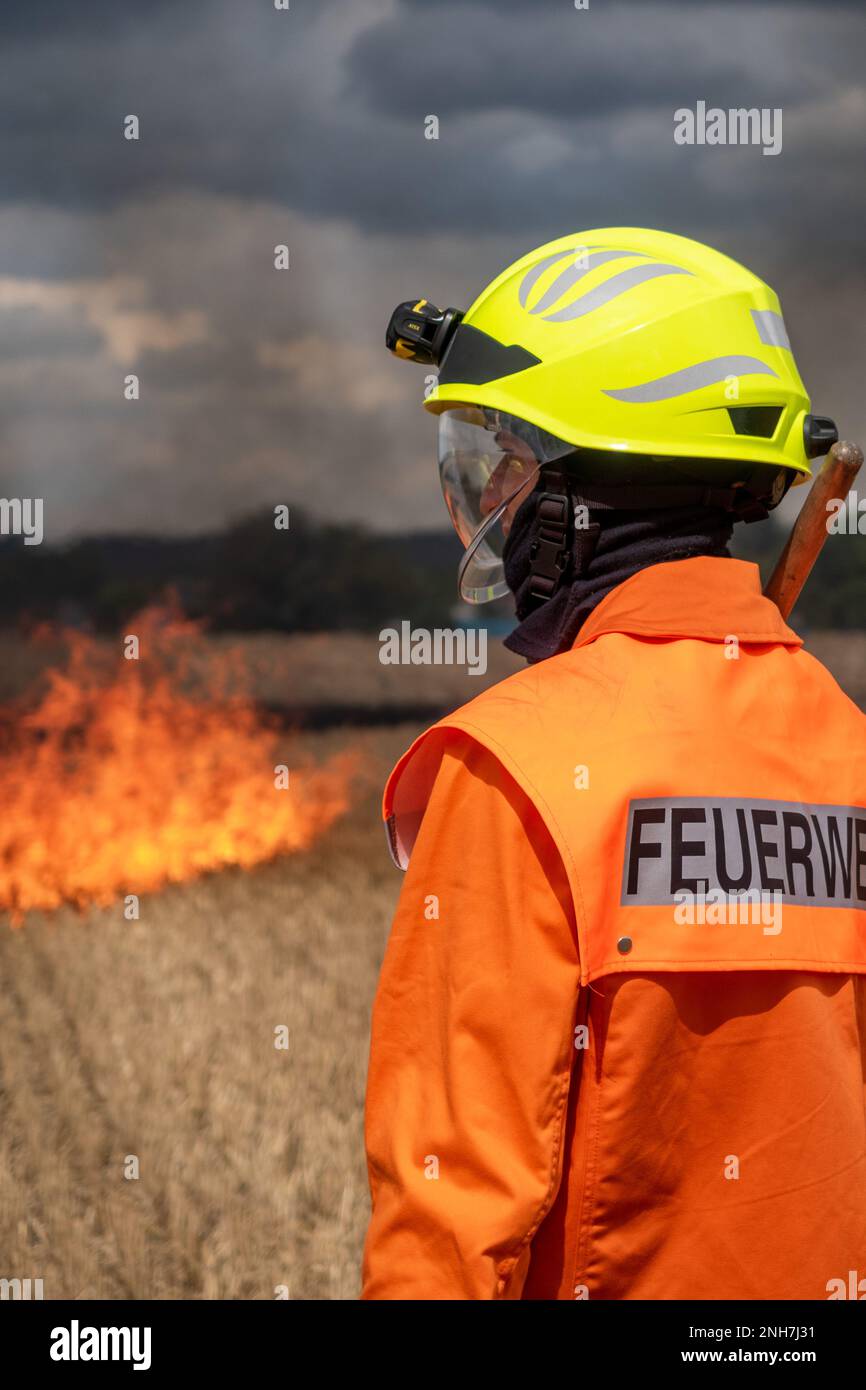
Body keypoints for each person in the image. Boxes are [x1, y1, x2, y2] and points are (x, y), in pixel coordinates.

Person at [361, 229, 866, 1300]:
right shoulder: (848, 751)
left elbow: (449, 1210)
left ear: (568, 503)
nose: (489, 504)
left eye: (504, 465)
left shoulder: (518, 766)